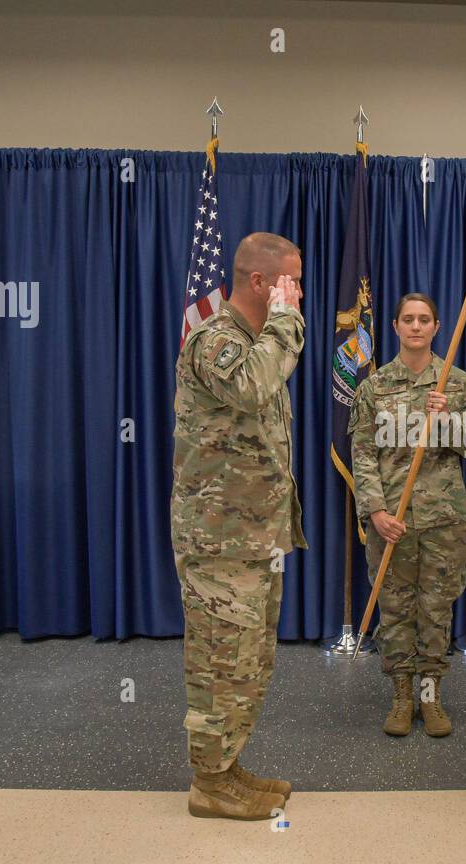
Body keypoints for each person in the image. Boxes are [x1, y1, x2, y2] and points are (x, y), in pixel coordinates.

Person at [171, 232, 307, 821]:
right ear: (260, 283)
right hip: (218, 540)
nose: (299, 293)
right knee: (217, 661)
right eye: (291, 281)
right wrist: (288, 323)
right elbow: (251, 388)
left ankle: (228, 766)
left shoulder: (256, 343)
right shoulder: (216, 341)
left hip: (255, 538)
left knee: (249, 661)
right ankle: (208, 782)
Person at [349, 293, 466, 737]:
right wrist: (376, 511)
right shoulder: (375, 386)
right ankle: (402, 694)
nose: (417, 326)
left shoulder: (456, 383)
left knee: (436, 609)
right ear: (395, 326)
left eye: (425, 319)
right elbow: (363, 454)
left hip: (444, 519)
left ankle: (431, 693)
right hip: (394, 521)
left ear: (437, 327)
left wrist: (445, 421)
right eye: (409, 319)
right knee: (397, 609)